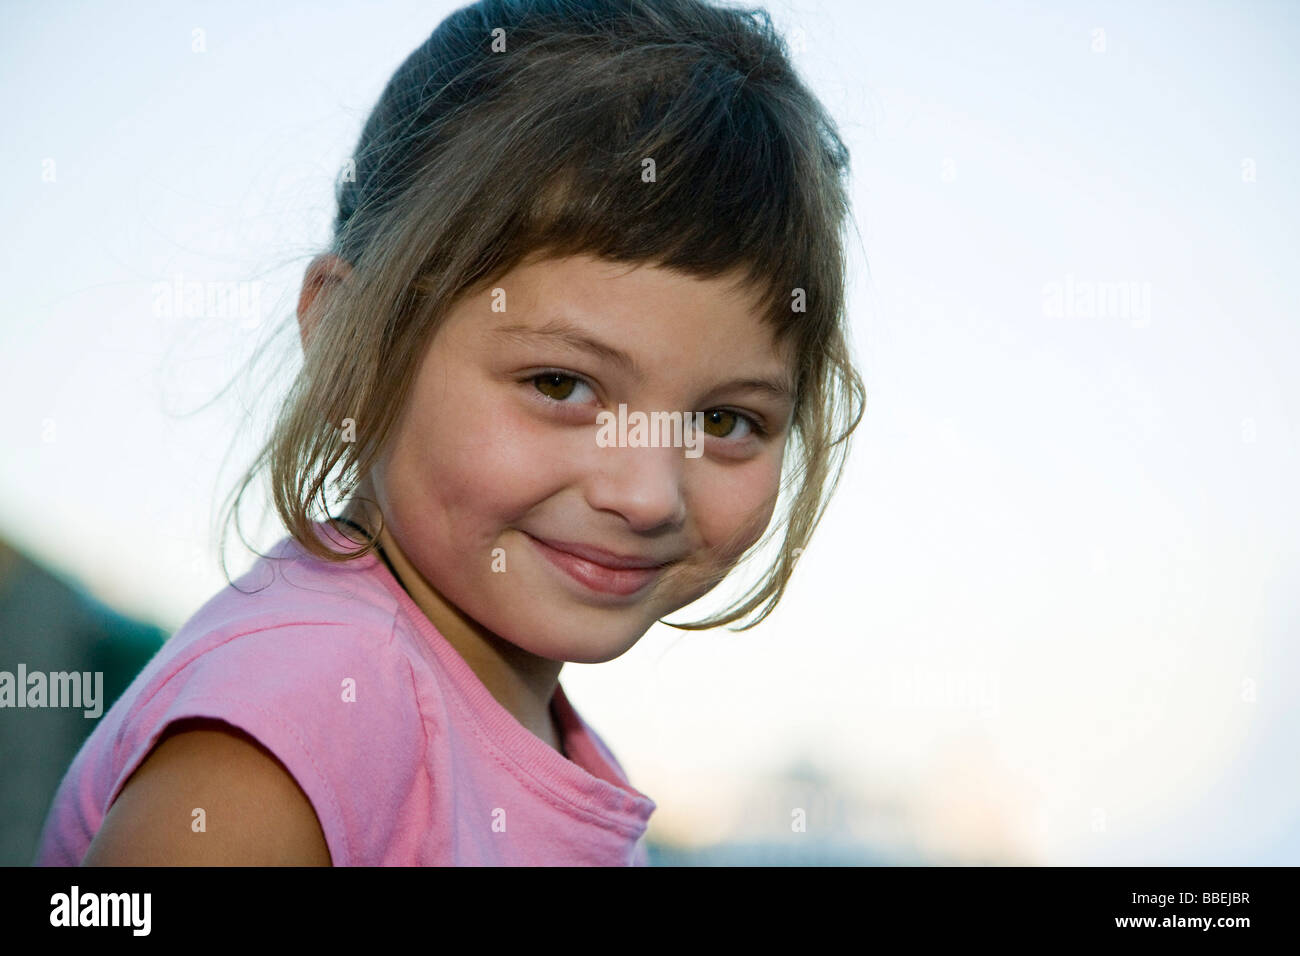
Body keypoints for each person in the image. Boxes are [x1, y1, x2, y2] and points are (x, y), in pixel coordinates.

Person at [34, 0, 864, 866]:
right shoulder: (288, 734)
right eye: (560, 384)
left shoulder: (520, 730)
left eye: (724, 421)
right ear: (349, 340)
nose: (647, 493)